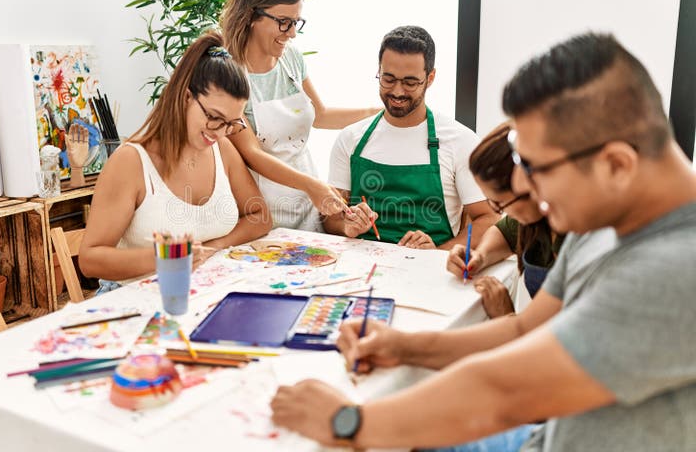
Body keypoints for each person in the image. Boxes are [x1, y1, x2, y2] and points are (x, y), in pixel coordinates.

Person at [270, 32, 696, 451]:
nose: (522, 186)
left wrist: (347, 422)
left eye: (536, 167)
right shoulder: (600, 227)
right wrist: (404, 345)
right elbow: (522, 329)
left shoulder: (674, 269)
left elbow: (507, 392)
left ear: (616, 165)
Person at [79, 31, 272, 283]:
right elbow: (90, 260)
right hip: (142, 302)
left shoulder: (221, 149)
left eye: (230, 123)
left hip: (203, 294)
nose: (220, 131)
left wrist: (216, 245)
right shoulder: (131, 162)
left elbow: (260, 216)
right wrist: (168, 258)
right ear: (185, 97)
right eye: (214, 117)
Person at [220, 0, 380, 232]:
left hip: (307, 205)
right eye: (284, 22)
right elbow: (251, 153)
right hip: (262, 213)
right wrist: (311, 185)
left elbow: (321, 115)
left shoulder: (290, 58)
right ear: (250, 15)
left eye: (296, 22)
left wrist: (377, 112)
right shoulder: (227, 74)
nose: (292, 33)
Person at [323, 25, 497, 249]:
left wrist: (438, 253)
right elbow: (329, 218)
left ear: (430, 77)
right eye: (388, 79)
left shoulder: (461, 141)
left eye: (410, 82)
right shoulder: (351, 138)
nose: (397, 91)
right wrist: (347, 225)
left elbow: (488, 220)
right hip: (360, 274)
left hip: (429, 274)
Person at [446, 122, 565, 318]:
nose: (497, 211)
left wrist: (506, 315)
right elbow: (502, 232)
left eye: (499, 203)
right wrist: (480, 256)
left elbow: (561, 338)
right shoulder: (533, 221)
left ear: (528, 186)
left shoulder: (579, 234)